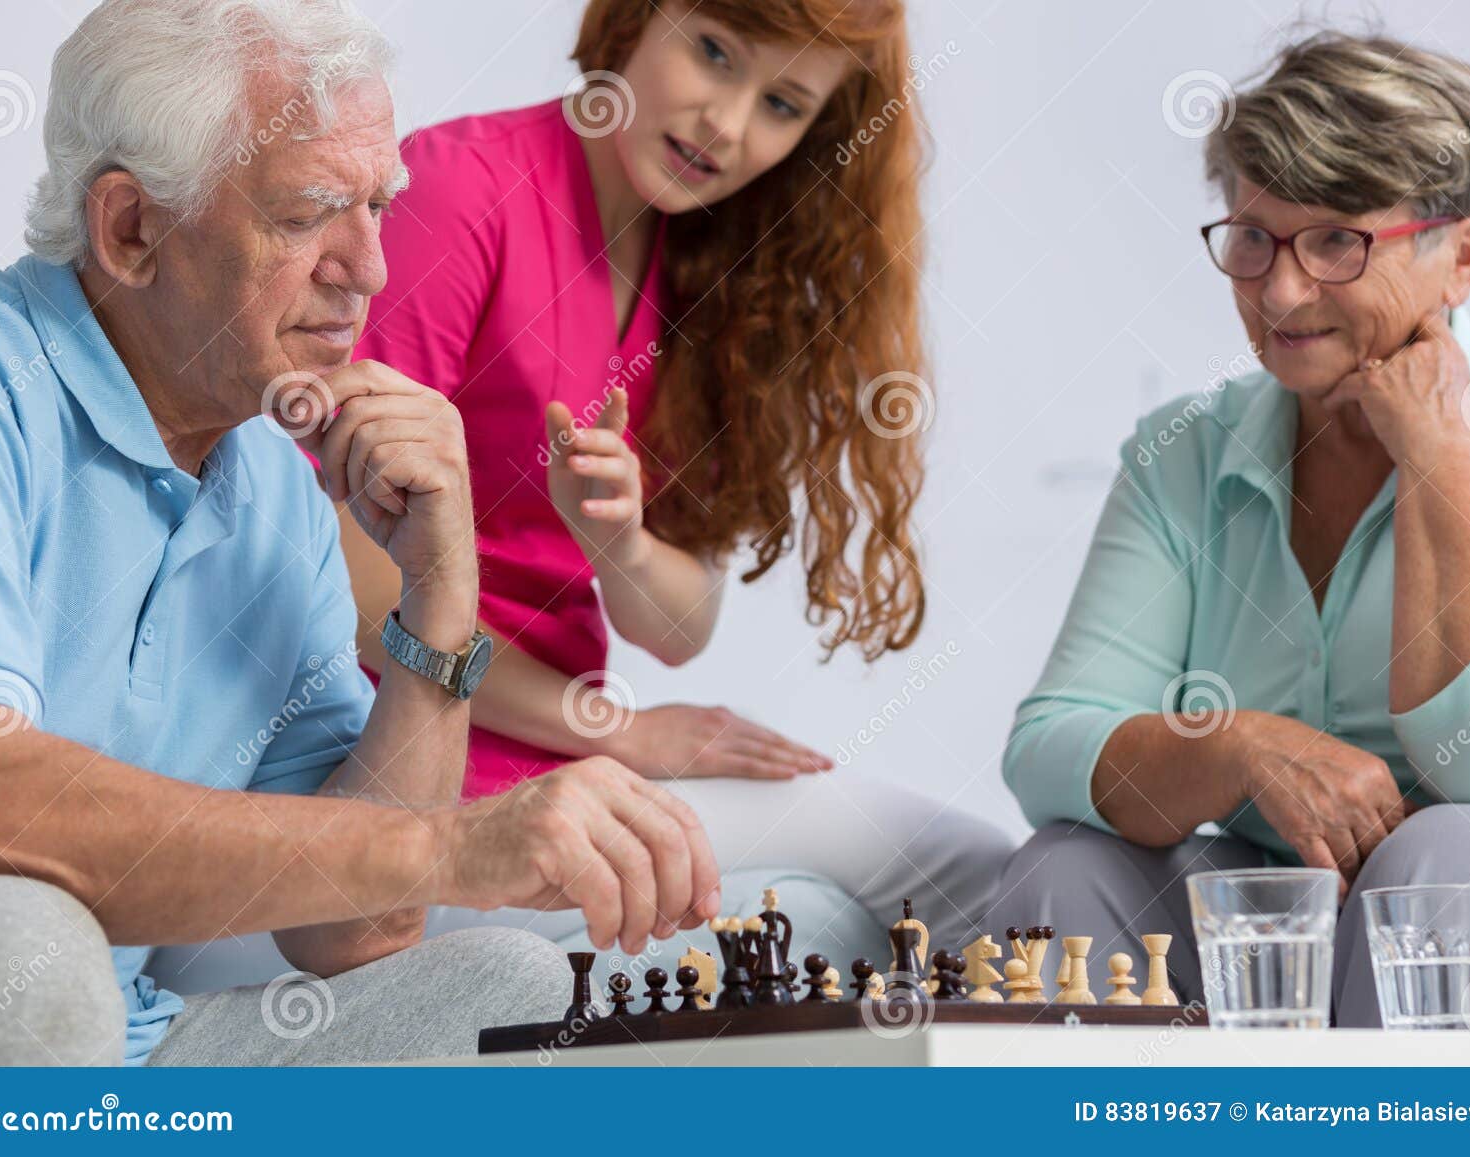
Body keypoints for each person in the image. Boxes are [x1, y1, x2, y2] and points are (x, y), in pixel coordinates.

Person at [0, 0, 718, 1067]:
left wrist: (439, 590)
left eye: (378, 208)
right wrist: (454, 845)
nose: (370, 269)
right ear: (131, 230)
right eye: (309, 213)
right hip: (5, 1016)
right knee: (24, 938)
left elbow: (361, 926)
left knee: (508, 986)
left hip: (133, 1051)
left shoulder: (271, 465)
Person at [342, 0, 1015, 959]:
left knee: (871, 910)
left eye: (782, 105)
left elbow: (680, 626)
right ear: (633, 19)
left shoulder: (697, 264)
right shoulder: (462, 190)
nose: (727, 127)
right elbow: (354, 590)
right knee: (952, 861)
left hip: (569, 766)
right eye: (712, 53)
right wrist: (616, 728)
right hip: (409, 776)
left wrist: (619, 545)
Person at [990, 33, 1470, 1028]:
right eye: (1253, 238)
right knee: (1065, 872)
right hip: (1286, 923)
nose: (1279, 293)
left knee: (1443, 863)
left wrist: (1444, 456)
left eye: (1337, 240)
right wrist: (1241, 748)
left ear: (1459, 255)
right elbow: (1048, 746)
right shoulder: (1188, 452)